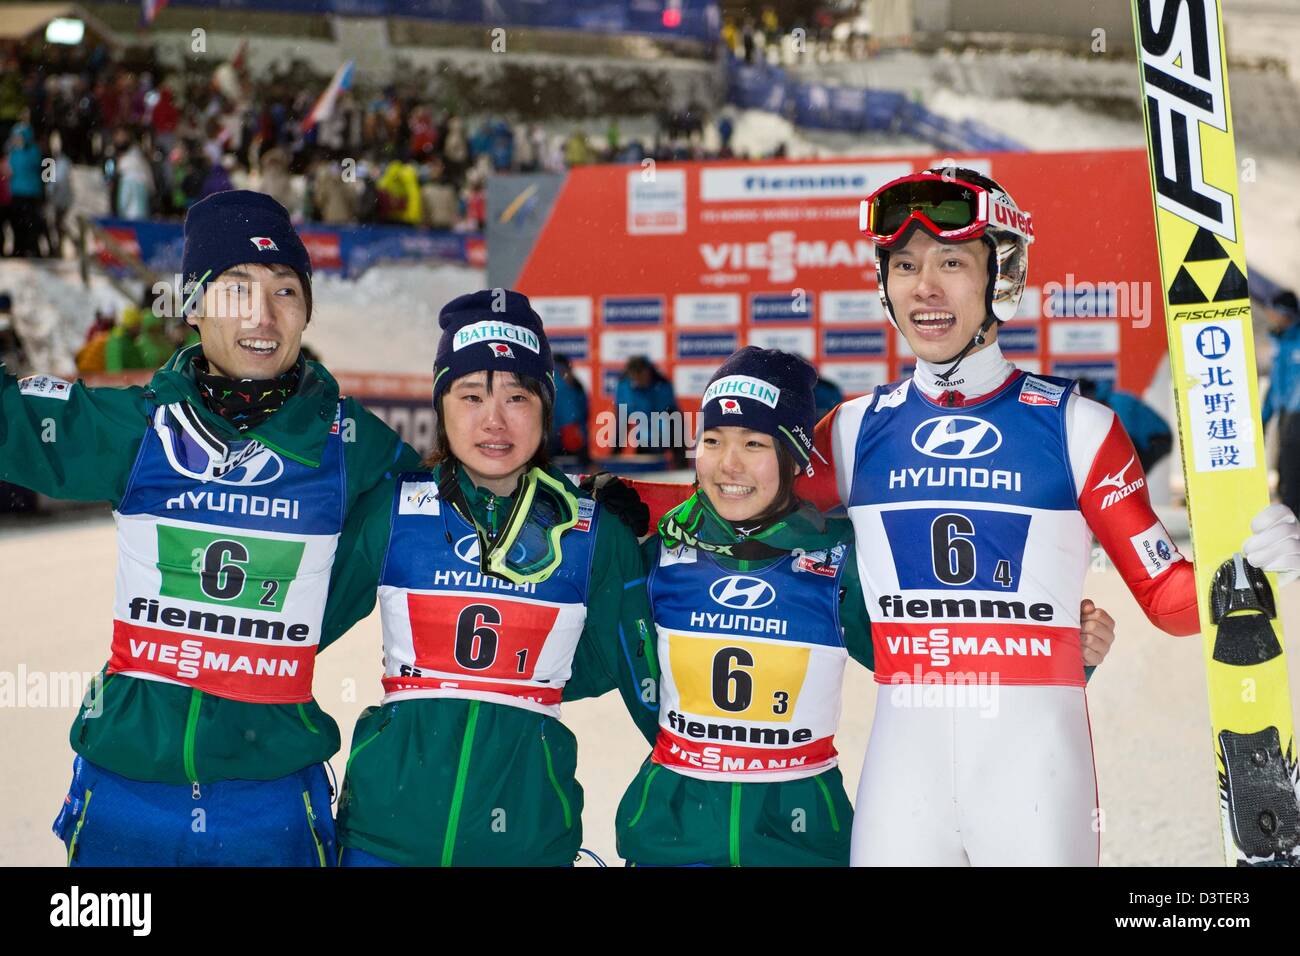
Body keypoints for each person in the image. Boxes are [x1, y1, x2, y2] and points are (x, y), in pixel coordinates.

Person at [619, 166, 1300, 866]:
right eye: (905, 265)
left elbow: (1173, 604)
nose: (925, 286)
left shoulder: (1079, 428)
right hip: (902, 776)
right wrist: (604, 506)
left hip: (1034, 774)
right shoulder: (852, 432)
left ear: (1001, 276)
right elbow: (735, 502)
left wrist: (1250, 567)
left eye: (952, 262)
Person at [0, 190, 418, 866]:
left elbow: (450, 513)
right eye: (236, 289)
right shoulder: (140, 428)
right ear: (193, 306)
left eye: (286, 290)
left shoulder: (349, 443)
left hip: (270, 801)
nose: (263, 314)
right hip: (127, 788)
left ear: (307, 308)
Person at [613, 347, 1115, 866]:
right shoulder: (657, 556)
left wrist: (1065, 656)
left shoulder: (839, 560)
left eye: (754, 442)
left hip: (798, 842)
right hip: (672, 839)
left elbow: (932, 668)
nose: (728, 461)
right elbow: (582, 660)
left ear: (794, 457)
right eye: (712, 440)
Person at [322, 290, 658, 866]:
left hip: (525, 844)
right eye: (471, 395)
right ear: (442, 405)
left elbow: (641, 685)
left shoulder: (594, 535)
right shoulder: (394, 512)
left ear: (545, 409)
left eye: (518, 397)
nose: (494, 421)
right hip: (383, 838)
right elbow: (291, 630)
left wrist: (526, 679)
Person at [1077, 377, 1172, 475]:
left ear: (1088, 394)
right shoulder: (1110, 399)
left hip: (1158, 438)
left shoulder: (1117, 401)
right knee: (1129, 471)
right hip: (1151, 438)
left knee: (1131, 472)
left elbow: (1124, 436)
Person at [1262, 290, 1300, 516]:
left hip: (1295, 417)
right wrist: (1263, 418)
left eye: (1273, 312)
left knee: (1292, 474)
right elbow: (1276, 386)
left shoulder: (1294, 341)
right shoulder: (1280, 343)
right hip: (1286, 417)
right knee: (1285, 472)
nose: (1270, 316)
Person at [614, 355, 685, 466]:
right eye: (635, 377)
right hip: (643, 439)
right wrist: (616, 453)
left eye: (642, 375)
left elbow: (675, 419)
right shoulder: (624, 387)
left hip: (664, 435)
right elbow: (622, 422)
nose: (639, 380)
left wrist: (680, 456)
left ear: (648, 372)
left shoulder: (663, 387)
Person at [550, 353, 590, 465]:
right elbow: (570, 420)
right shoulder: (566, 387)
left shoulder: (572, 386)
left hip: (548, 443)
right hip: (565, 440)